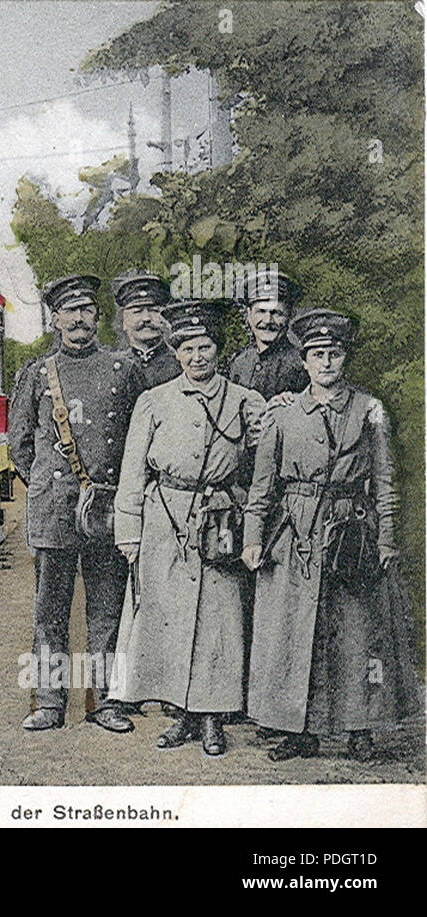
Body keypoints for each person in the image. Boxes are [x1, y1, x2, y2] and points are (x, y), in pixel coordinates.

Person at [242, 309, 422, 762]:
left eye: (334, 354)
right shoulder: (281, 415)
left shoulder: (369, 410)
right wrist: (252, 538)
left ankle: (360, 728)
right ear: (303, 361)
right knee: (292, 633)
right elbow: (263, 487)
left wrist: (385, 539)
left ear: (345, 358)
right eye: (317, 355)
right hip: (295, 534)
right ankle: (298, 730)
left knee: (356, 634)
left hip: (350, 531)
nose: (326, 363)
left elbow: (384, 479)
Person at [111, 300, 266, 756]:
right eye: (188, 349)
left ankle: (213, 718)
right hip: (165, 518)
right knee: (170, 617)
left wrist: (248, 511)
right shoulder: (153, 402)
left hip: (219, 518)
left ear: (219, 349)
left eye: (206, 347)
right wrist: (129, 530)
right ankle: (180, 714)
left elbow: (265, 463)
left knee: (219, 619)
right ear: (176, 352)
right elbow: (133, 470)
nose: (198, 357)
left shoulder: (244, 401)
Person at [9, 274, 143, 733]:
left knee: (108, 608)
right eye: (70, 310)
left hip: (105, 508)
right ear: (55, 318)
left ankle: (106, 701)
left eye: (87, 309)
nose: (79, 318)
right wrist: (50, 485)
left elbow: (135, 438)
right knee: (50, 612)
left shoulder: (123, 370)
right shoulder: (36, 374)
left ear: (97, 317)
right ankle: (48, 702)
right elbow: (20, 445)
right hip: (55, 510)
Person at [226, 268, 309, 401]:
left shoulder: (302, 363)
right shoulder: (240, 363)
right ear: (249, 315)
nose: (267, 321)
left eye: (276, 313)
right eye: (261, 311)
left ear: (290, 316)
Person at [112, 271, 180, 390]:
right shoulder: (114, 366)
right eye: (137, 312)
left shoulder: (180, 362)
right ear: (124, 321)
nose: (146, 318)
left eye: (154, 310)